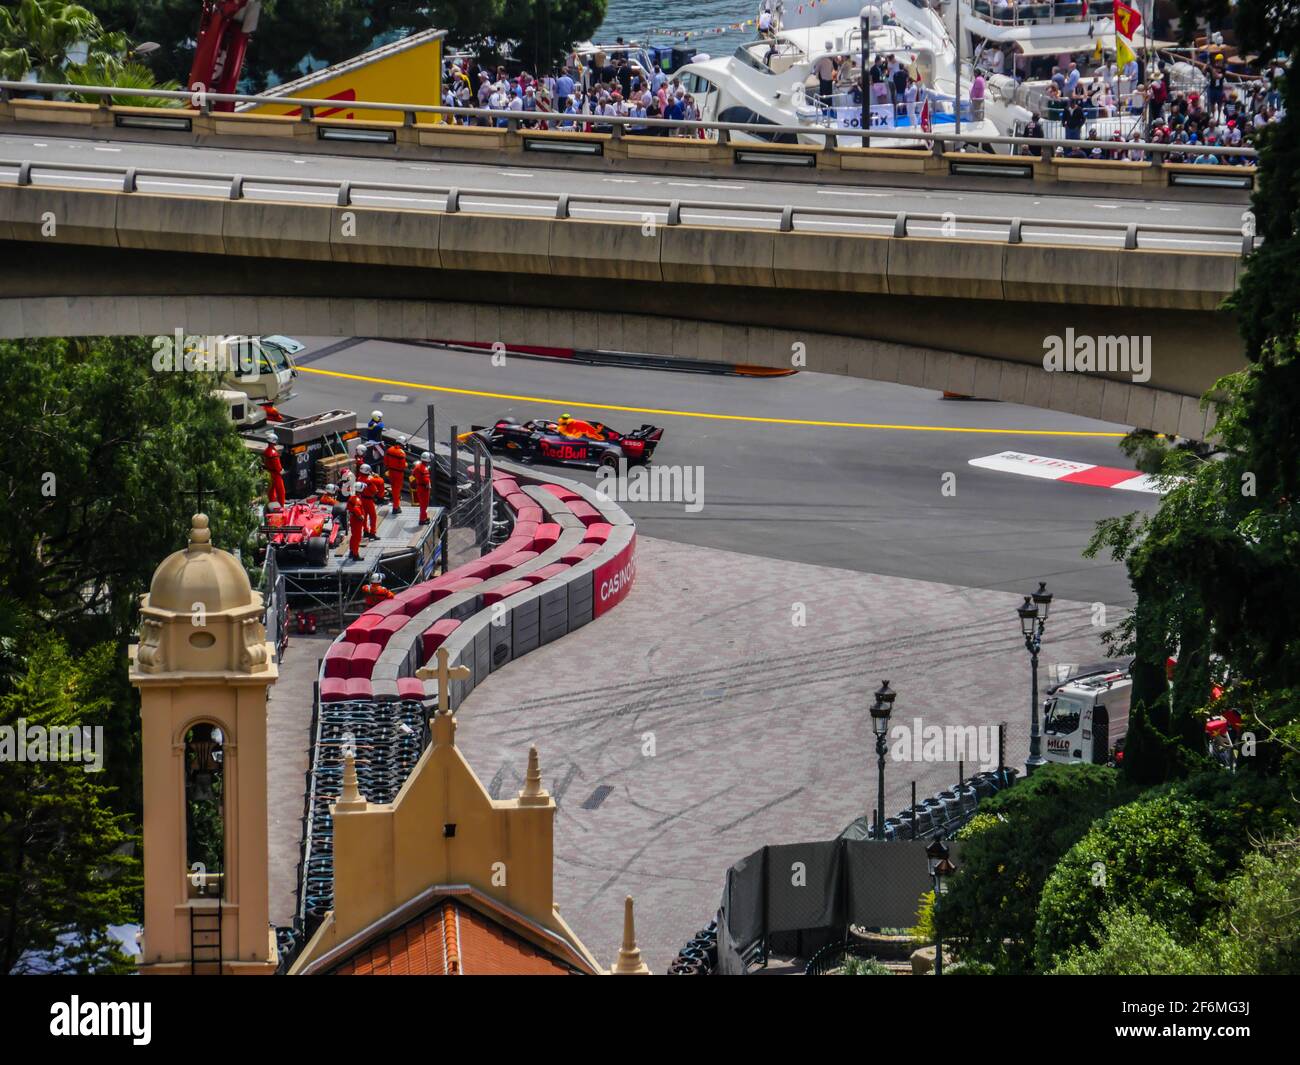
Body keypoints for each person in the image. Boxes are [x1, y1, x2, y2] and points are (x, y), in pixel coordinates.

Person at [383, 438, 407, 514]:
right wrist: (406, 465)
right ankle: (396, 508)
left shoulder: (389, 449)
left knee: (394, 489)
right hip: (398, 474)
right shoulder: (401, 453)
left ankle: (396, 505)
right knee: (397, 491)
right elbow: (403, 466)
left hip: (391, 472)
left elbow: (385, 461)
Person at [358, 463, 382, 538]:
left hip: (361, 499)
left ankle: (365, 531)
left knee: (364, 516)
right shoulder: (369, 481)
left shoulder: (359, 478)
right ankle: (372, 533)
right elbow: (375, 491)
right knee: (373, 516)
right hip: (369, 500)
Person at [263, 431, 286, 506]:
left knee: (271, 491)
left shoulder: (266, 451)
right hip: (275, 474)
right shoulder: (274, 453)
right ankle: (281, 506)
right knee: (281, 491)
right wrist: (281, 471)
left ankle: (271, 505)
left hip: (268, 473)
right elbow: (277, 466)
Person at [412, 452, 433, 526]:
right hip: (424, 489)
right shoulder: (425, 469)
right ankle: (422, 520)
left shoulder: (417, 466)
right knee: (424, 505)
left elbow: (413, 473)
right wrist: (428, 487)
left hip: (419, 487)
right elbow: (426, 481)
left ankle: (424, 517)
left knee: (422, 504)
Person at [345, 488, 366, 562]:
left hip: (353, 519)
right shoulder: (357, 499)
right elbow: (356, 509)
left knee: (353, 536)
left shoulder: (352, 497)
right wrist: (360, 516)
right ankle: (355, 555)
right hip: (356, 520)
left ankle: (352, 551)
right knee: (357, 538)